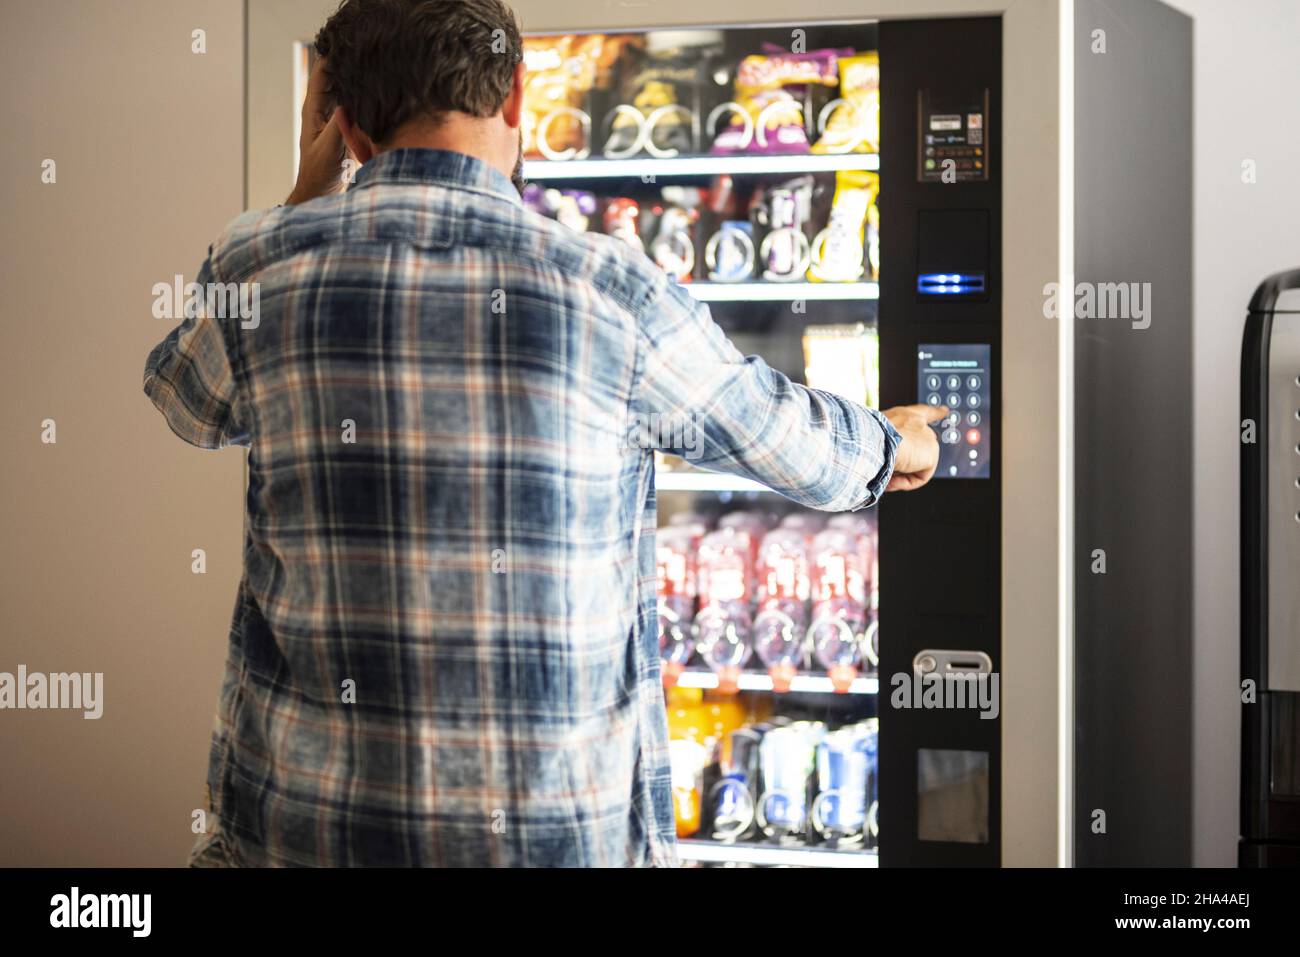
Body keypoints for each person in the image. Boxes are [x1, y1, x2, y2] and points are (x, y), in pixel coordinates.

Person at [143, 0, 942, 867]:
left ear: (338, 121)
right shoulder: (613, 290)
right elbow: (795, 446)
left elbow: (188, 404)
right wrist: (896, 442)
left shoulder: (256, 266)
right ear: (518, 98)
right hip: (550, 840)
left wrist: (301, 200)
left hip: (301, 832)